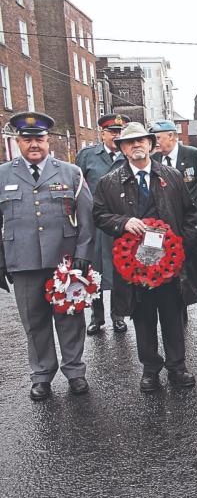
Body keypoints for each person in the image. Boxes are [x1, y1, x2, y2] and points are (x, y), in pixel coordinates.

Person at [93, 122, 197, 393]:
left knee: (173, 316)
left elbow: (190, 214)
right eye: (130, 142)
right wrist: (123, 222)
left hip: (170, 265)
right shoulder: (108, 183)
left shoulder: (172, 176)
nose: (136, 145)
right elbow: (100, 216)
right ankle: (150, 369)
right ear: (123, 149)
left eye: (142, 141)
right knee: (143, 317)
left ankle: (178, 366)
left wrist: (180, 246)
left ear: (151, 144)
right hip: (134, 268)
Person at [0, 112, 93, 401]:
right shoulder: (3, 175)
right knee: (35, 323)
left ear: (48, 140)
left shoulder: (70, 173)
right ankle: (41, 376)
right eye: (27, 140)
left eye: (39, 139)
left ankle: (75, 371)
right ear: (18, 141)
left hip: (63, 262)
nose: (34, 145)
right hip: (23, 262)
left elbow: (87, 218)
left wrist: (82, 255)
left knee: (70, 318)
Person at [150, 119, 197, 325]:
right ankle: (179, 311)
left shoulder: (195, 156)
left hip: (196, 226)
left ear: (172, 136)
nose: (154, 142)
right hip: (167, 229)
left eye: (157, 138)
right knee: (172, 270)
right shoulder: (153, 160)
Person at [76, 113, 130, 335]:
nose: (117, 136)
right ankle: (96, 317)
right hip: (95, 224)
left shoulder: (128, 156)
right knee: (94, 271)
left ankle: (118, 315)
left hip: (120, 223)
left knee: (119, 270)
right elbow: (76, 187)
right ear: (102, 133)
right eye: (113, 132)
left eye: (120, 132)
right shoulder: (88, 156)